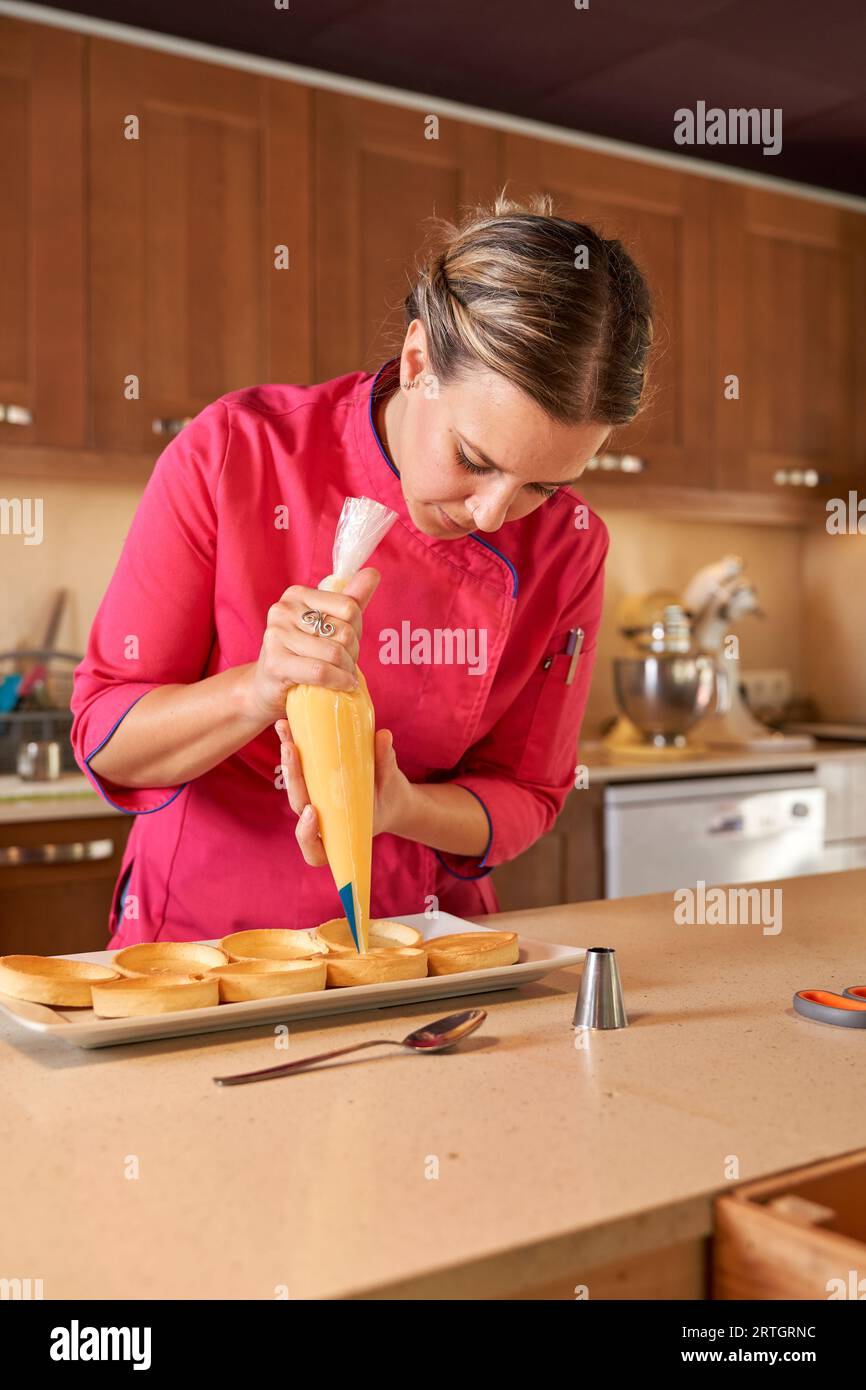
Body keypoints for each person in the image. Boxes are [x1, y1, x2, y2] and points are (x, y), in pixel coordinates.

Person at [70, 191, 653, 947]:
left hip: (421, 946)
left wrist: (400, 808)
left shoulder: (568, 547)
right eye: (473, 460)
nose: (492, 514)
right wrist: (257, 688)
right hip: (204, 949)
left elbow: (528, 794)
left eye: (543, 485)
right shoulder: (236, 453)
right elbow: (103, 736)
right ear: (418, 363)